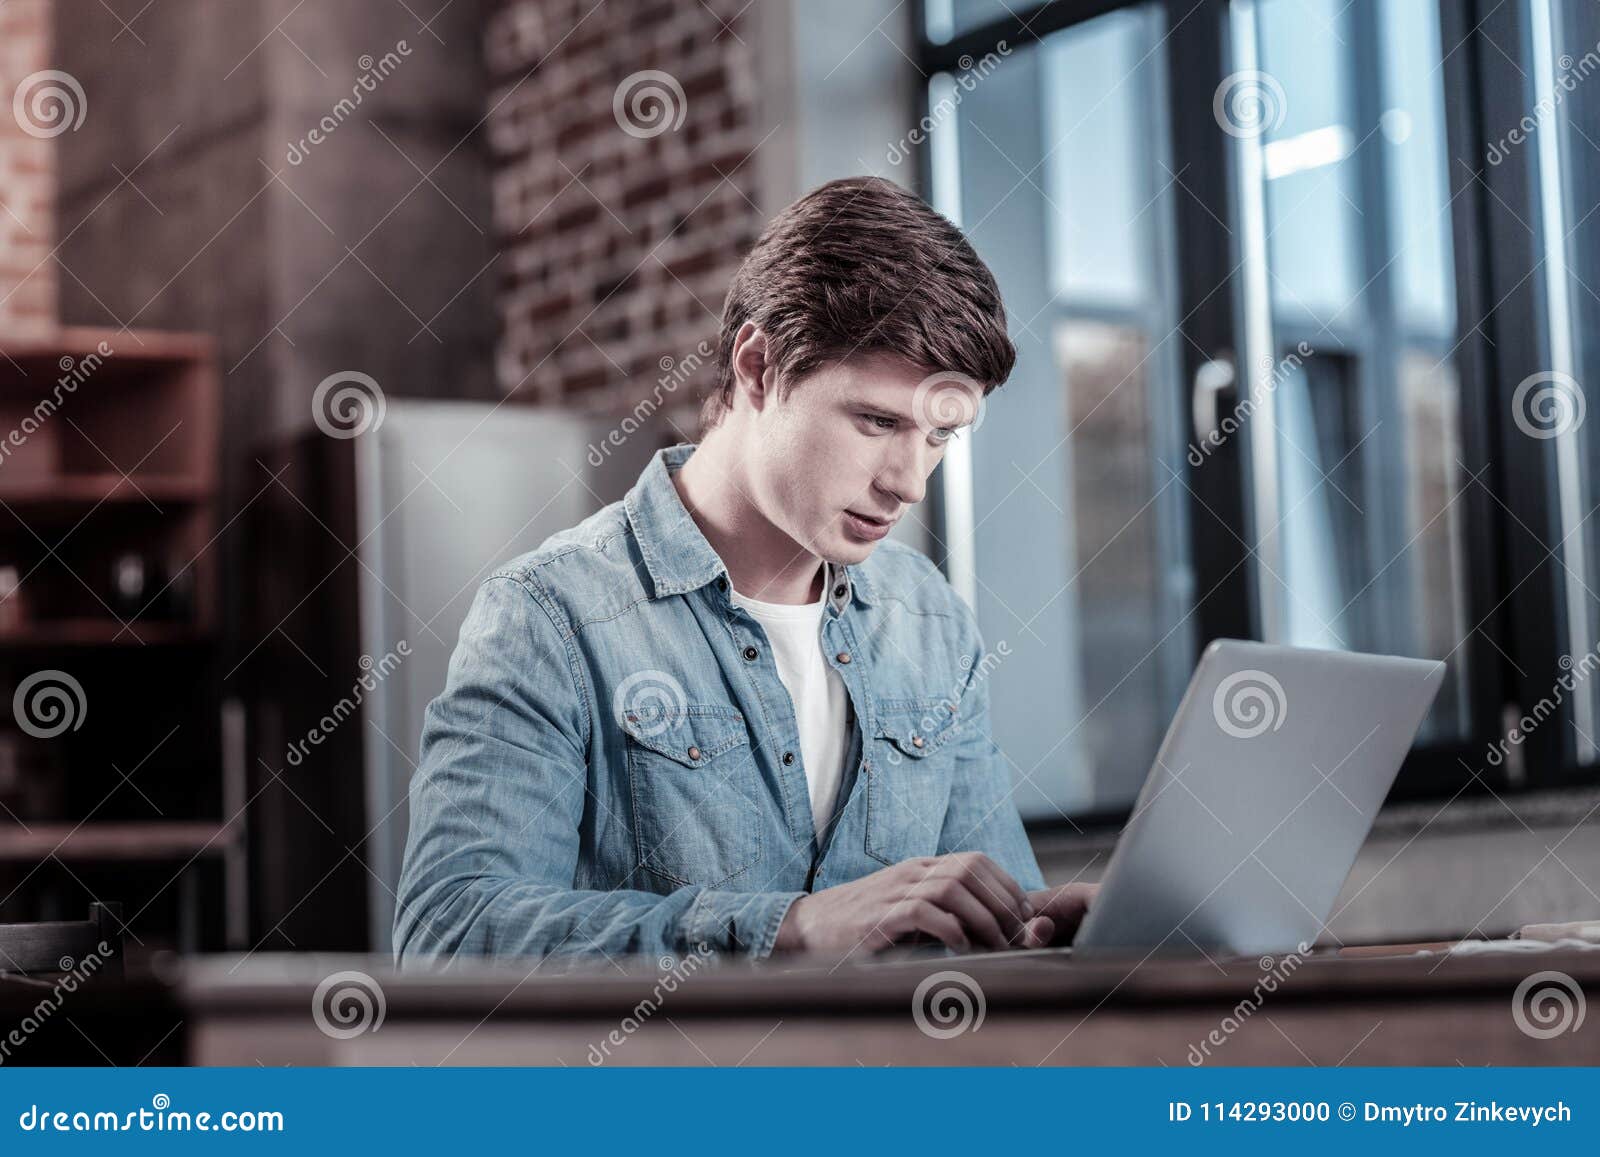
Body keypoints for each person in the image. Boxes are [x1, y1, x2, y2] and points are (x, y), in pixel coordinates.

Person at [394, 176, 1096, 965]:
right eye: (876, 421)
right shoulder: (550, 614)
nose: (909, 479)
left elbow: (984, 916)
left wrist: (1048, 926)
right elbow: (448, 934)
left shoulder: (928, 616)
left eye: (939, 437)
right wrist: (789, 929)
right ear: (759, 367)